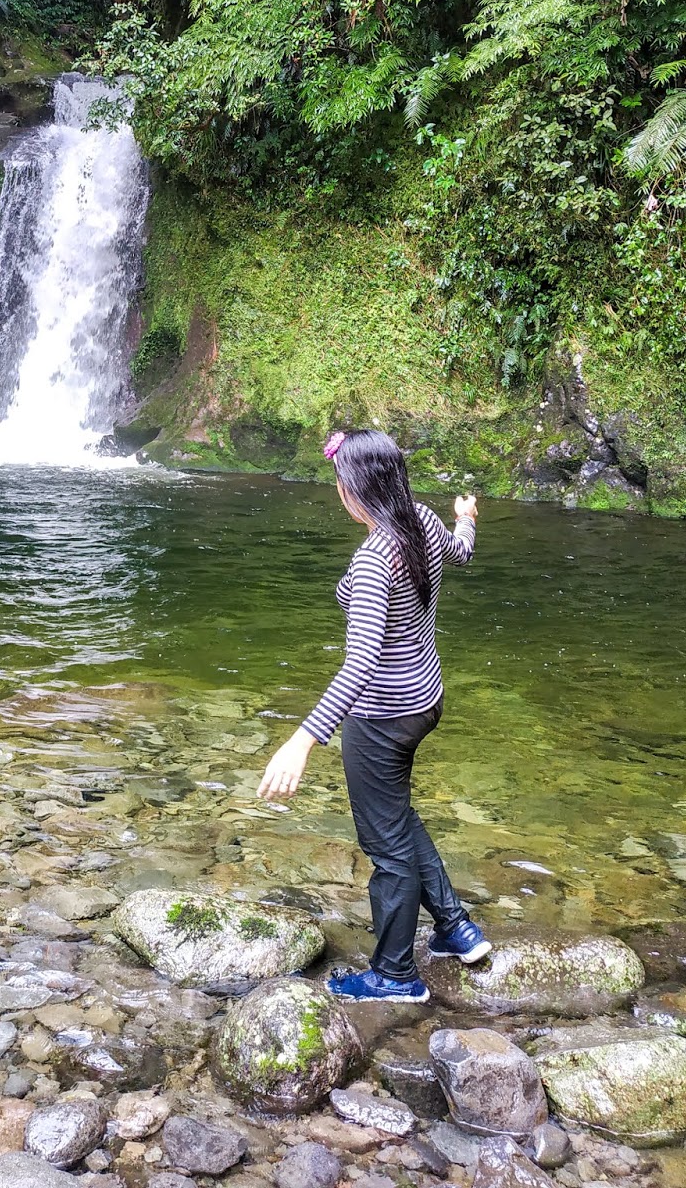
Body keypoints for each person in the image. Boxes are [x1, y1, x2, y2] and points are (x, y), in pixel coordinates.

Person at [256, 427, 489, 1004]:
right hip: (425, 701)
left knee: (385, 847)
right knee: (398, 819)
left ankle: (394, 975)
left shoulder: (373, 559)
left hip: (383, 716)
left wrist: (301, 741)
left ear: (351, 489)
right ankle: (457, 929)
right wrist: (468, 517)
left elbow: (358, 664)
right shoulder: (422, 520)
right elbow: (462, 552)